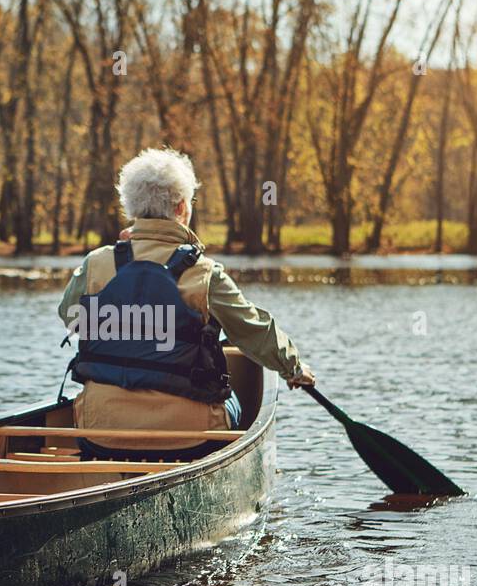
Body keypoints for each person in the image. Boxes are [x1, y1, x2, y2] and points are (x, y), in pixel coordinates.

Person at [58, 147, 314, 459]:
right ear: (181, 208)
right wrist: (293, 367)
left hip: (99, 431)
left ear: (131, 208)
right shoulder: (203, 272)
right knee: (235, 400)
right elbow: (254, 331)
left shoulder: (96, 263)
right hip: (191, 438)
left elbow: (69, 316)